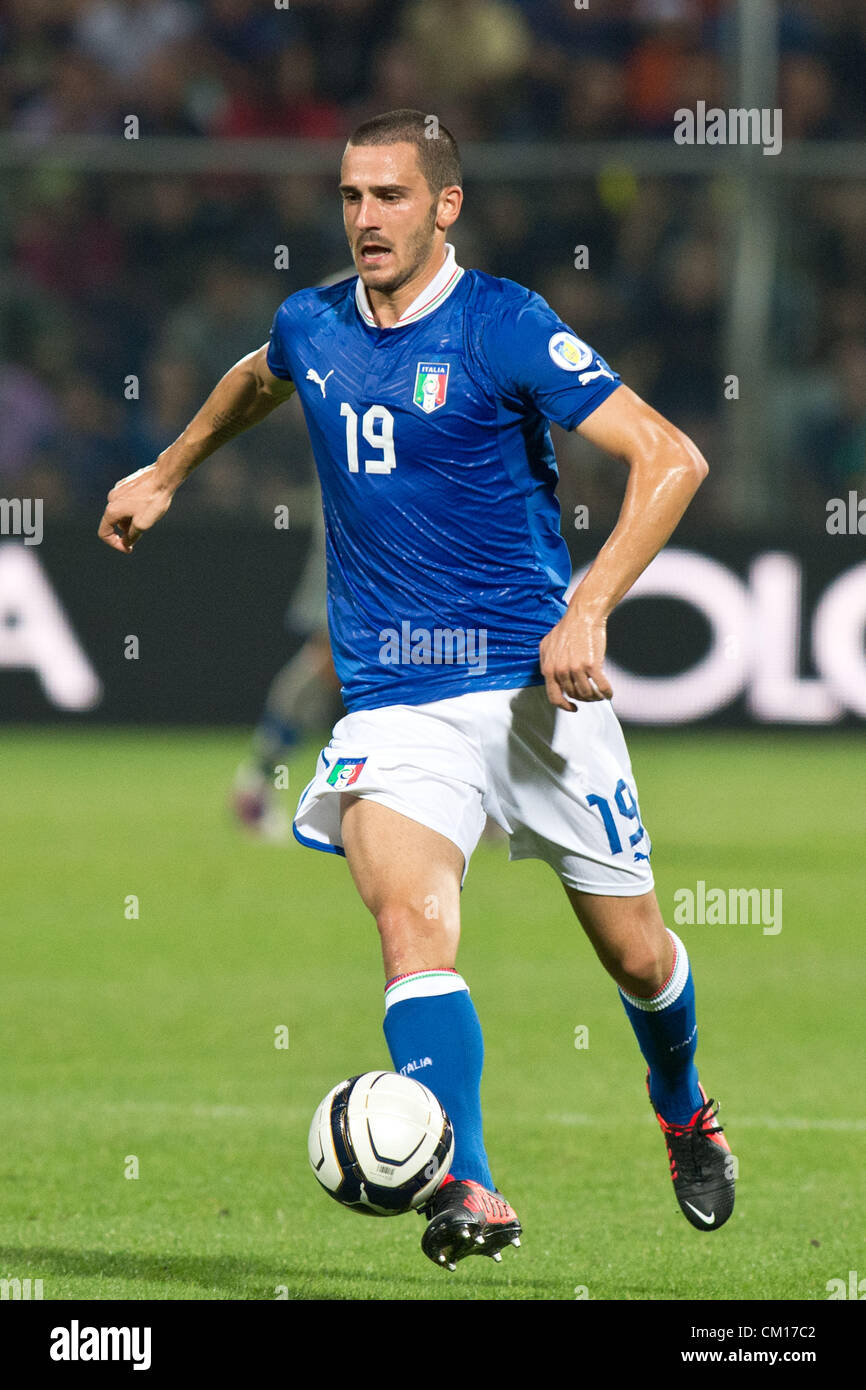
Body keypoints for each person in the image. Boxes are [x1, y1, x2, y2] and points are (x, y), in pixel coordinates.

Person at [98, 108, 735, 1273]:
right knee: (410, 928)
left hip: (534, 700)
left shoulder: (502, 325)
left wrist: (586, 609)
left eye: (389, 197)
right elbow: (261, 374)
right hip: (392, 699)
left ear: (443, 205)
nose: (364, 219)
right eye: (349, 197)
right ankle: (472, 1185)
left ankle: (681, 1105)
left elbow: (669, 456)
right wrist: (170, 467)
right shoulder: (316, 322)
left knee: (637, 958)